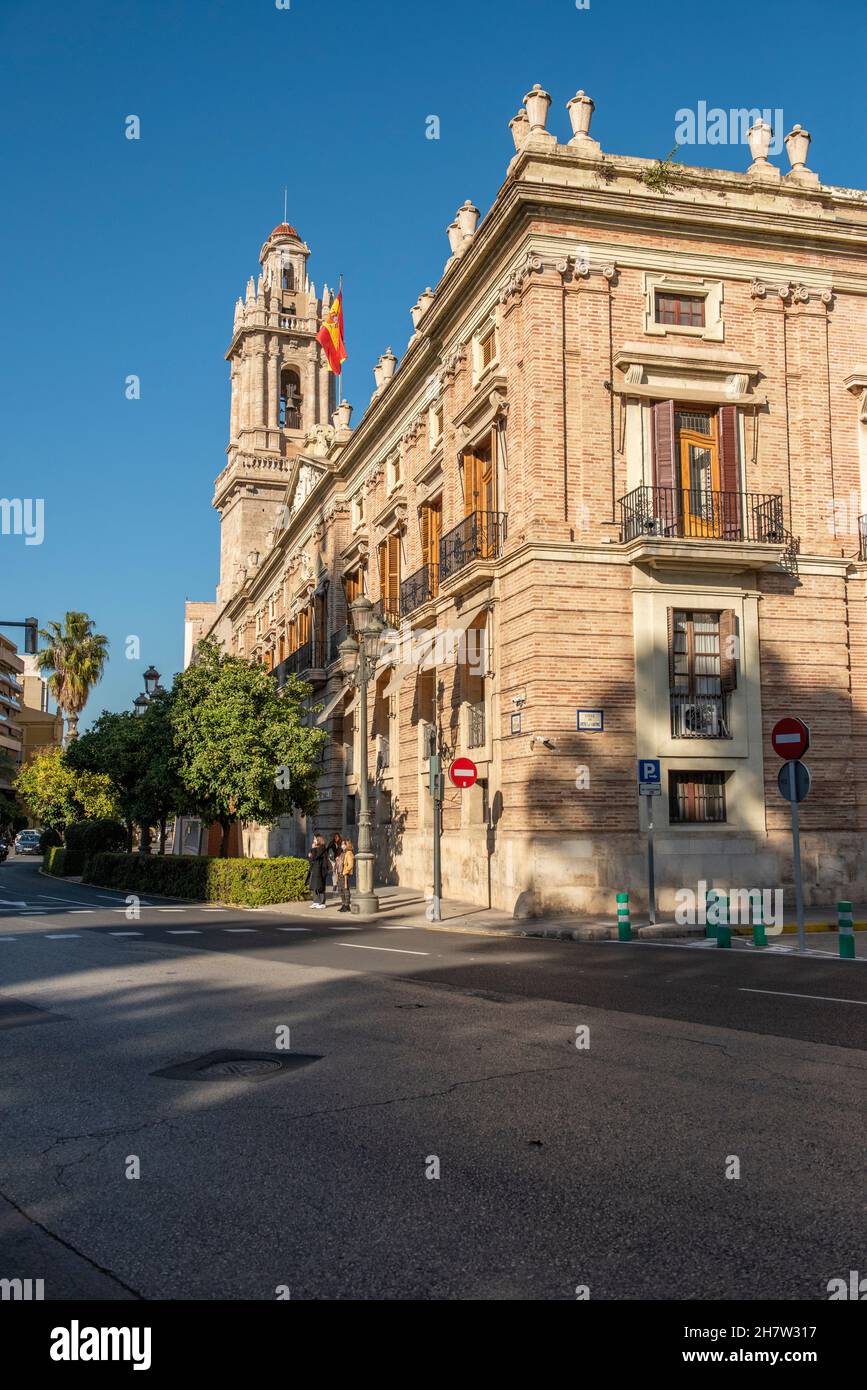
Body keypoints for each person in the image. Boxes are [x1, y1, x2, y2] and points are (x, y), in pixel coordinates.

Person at [307, 833, 329, 909]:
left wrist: (313, 850)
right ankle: (316, 901)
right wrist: (311, 853)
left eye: (315, 839)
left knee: (320, 886)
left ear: (318, 840)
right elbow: (311, 858)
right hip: (315, 869)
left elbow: (315, 856)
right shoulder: (316, 848)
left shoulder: (322, 847)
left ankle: (322, 902)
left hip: (321, 870)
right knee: (314, 886)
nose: (313, 841)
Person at [338, 837, 355, 913]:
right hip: (339, 873)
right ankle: (343, 904)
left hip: (344, 874)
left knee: (346, 890)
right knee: (340, 890)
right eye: (341, 844)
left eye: (343, 844)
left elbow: (351, 865)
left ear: (347, 845)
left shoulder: (349, 853)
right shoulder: (342, 853)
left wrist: (345, 871)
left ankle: (347, 905)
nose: (342, 845)